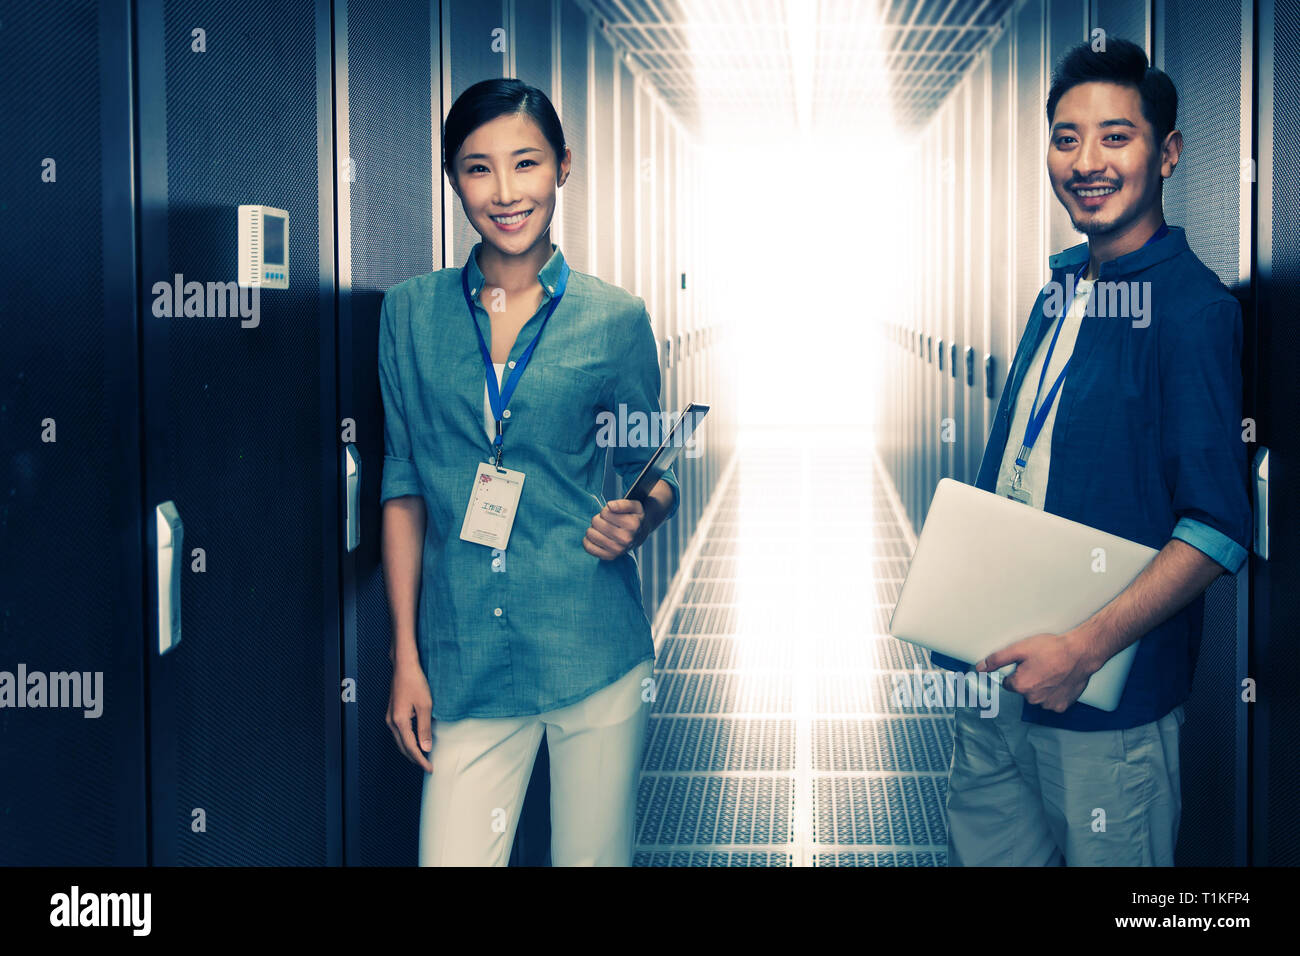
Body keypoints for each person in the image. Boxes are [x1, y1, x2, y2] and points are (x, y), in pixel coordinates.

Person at [933, 38, 1251, 866]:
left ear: (1167, 152)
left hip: (1105, 706)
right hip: (997, 677)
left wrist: (1082, 650)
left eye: (1116, 136)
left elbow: (1217, 527)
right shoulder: (1060, 288)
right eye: (1066, 138)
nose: (1086, 160)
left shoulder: (1192, 311)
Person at [378, 77, 680, 866]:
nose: (506, 193)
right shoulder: (410, 314)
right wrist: (405, 658)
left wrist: (638, 516)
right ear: (452, 178)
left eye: (526, 164)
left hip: (590, 643)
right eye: (479, 168)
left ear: (562, 168)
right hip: (464, 655)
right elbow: (403, 486)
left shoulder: (614, 320)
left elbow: (650, 475)